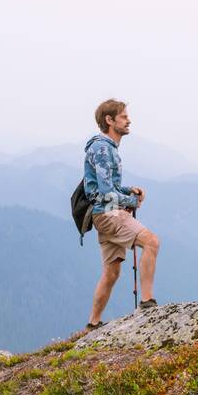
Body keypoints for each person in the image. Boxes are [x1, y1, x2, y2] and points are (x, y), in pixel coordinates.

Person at [82, 99, 160, 331]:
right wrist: (131, 200)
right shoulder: (104, 148)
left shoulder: (103, 148)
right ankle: (147, 302)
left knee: (112, 272)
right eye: (124, 117)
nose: (129, 120)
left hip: (101, 215)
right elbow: (105, 193)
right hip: (109, 214)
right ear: (110, 120)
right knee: (152, 242)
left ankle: (93, 324)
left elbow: (102, 186)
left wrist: (127, 190)